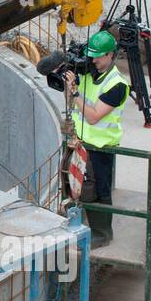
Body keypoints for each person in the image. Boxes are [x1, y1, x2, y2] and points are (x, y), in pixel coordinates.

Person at [61, 30, 130, 248]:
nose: (94, 60)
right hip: (82, 141)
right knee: (75, 183)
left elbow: (92, 116)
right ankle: (79, 223)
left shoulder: (117, 84)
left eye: (98, 56)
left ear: (110, 55)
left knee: (99, 190)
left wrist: (75, 93)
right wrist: (70, 85)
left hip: (101, 146)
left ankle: (102, 233)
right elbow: (73, 101)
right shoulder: (91, 74)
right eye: (91, 55)